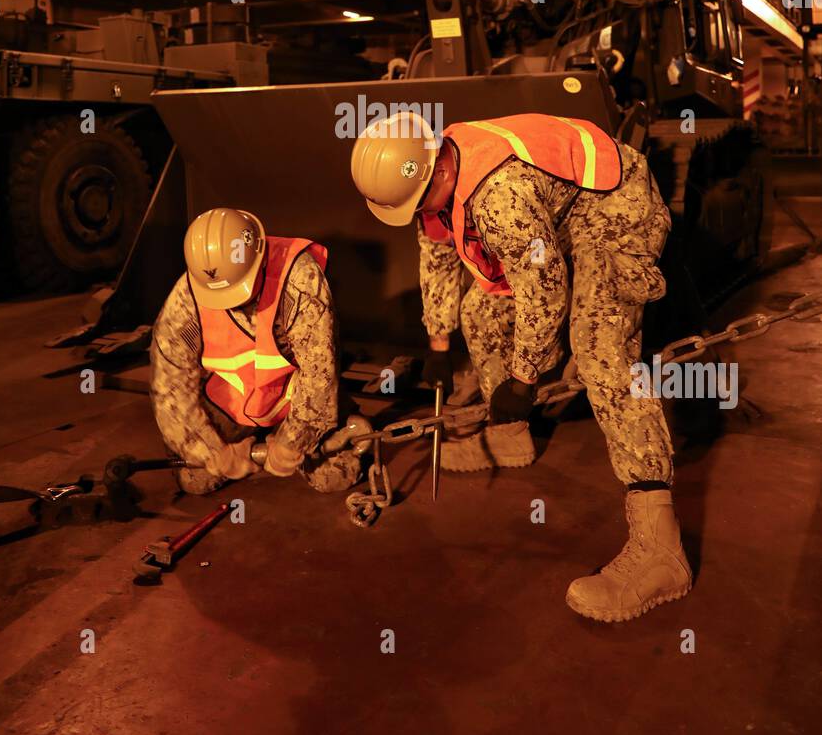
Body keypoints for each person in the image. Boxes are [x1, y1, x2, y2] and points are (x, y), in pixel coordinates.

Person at [350, 111, 692, 622]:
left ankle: (662, 547)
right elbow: (438, 252)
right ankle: (512, 436)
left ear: (440, 172)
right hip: (555, 215)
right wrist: (439, 343)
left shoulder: (500, 196)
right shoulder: (430, 177)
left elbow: (545, 287)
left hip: (615, 210)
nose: (417, 214)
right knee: (479, 312)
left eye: (418, 203)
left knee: (600, 343)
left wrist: (524, 378)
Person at [150, 207, 358, 495]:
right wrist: (214, 451)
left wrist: (292, 441)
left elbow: (318, 374)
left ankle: (334, 425)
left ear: (259, 257)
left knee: (335, 475)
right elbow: (169, 388)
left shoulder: (299, 279)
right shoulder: (186, 297)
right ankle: (254, 438)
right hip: (234, 403)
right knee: (196, 479)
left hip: (290, 399)